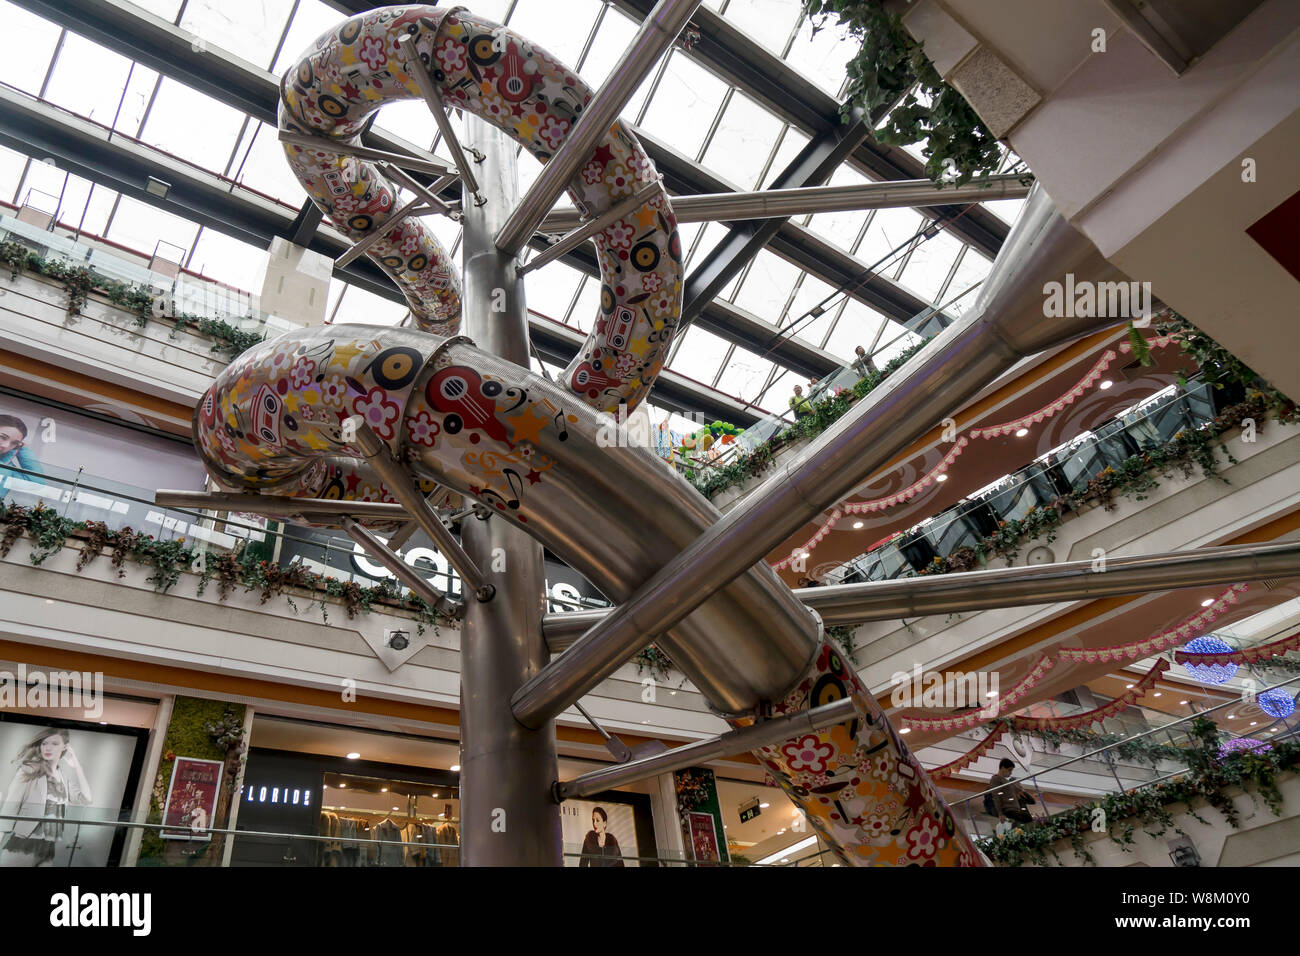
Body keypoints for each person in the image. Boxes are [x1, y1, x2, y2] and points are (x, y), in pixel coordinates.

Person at [0, 727, 93, 866]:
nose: (48, 748)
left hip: (48, 847)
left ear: (65, 747)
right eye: (44, 743)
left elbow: (87, 799)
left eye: (54, 744)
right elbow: (10, 806)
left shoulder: (63, 778)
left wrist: (78, 767)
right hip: (24, 843)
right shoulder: (29, 769)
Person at [0, 414, 45, 489]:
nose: (6, 445)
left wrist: (22, 448)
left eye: (14, 443)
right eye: (3, 437)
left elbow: (37, 484)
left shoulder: (6, 469)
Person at [988, 757, 1033, 825]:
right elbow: (996, 796)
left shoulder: (1006, 781)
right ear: (1003, 768)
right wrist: (1000, 813)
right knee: (1028, 820)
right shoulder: (996, 779)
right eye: (1009, 770)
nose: (1010, 773)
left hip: (1015, 809)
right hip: (1008, 809)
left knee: (1028, 819)